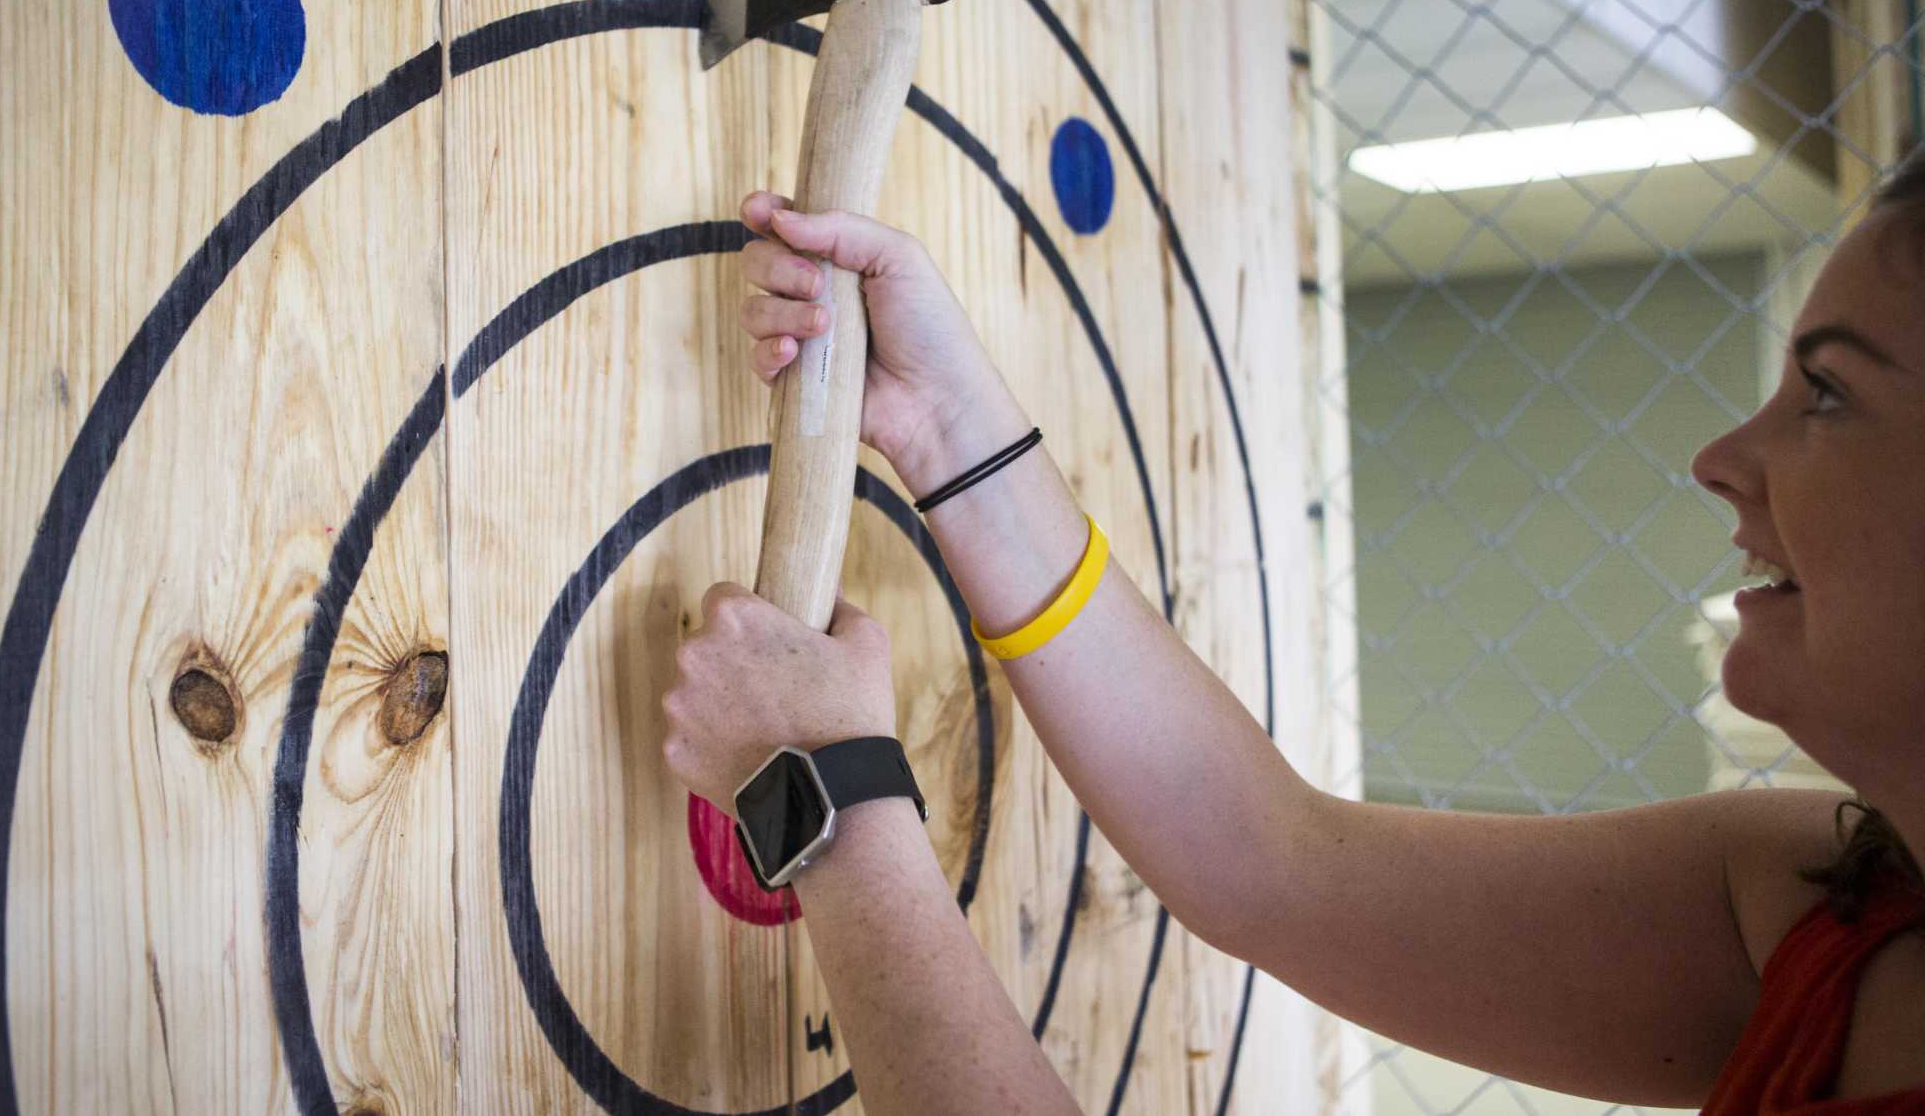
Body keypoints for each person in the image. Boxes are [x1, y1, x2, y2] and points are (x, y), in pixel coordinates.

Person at [659, 156, 1925, 1114]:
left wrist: (824, 797)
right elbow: (1269, 860)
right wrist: (950, 432)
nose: (1721, 460)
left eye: (1826, 393)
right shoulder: (1814, 897)